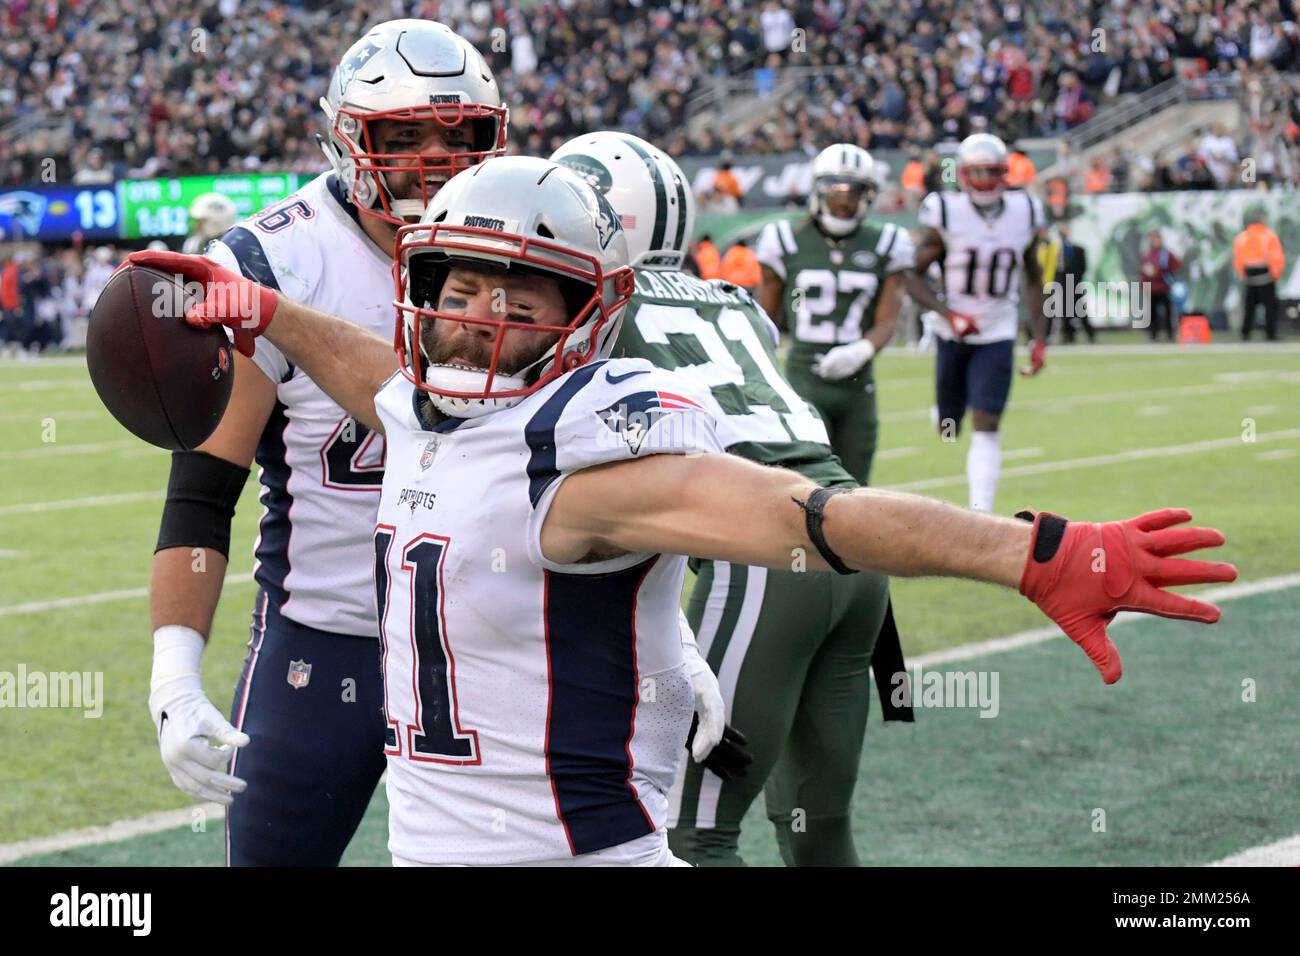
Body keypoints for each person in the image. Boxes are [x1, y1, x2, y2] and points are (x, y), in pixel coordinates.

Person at [128, 155, 1236, 866]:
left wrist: (1031, 551)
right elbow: (373, 362)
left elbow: (806, 513)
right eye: (456, 289)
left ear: (587, 316)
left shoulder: (580, 456)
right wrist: (268, 307)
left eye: (518, 298)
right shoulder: (425, 407)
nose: (474, 321)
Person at [143, 18, 511, 867]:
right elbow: (203, 490)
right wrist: (173, 673)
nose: (433, 161)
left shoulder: (522, 249)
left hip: (486, 636)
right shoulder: (277, 259)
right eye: (403, 135)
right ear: (347, 137)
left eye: (460, 138)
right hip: (324, 636)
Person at [551, 132, 903, 866]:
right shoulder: (735, 301)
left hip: (763, 559)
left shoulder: (600, 306)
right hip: (856, 554)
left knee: (696, 832)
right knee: (818, 821)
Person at [908, 132, 1048, 514]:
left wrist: (1039, 338)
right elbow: (910, 274)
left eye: (993, 172)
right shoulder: (946, 211)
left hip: (999, 328)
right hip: (953, 329)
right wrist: (948, 313)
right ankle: (945, 410)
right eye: (978, 172)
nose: (985, 180)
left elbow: (1033, 276)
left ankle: (980, 510)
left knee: (987, 420)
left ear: (1006, 174)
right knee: (949, 427)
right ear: (964, 175)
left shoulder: (1025, 211)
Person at [755, 144, 910, 485]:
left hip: (858, 388)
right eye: (835, 190)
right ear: (818, 190)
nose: (844, 201)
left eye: (854, 192)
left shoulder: (886, 242)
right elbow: (762, 321)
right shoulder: (785, 239)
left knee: (856, 495)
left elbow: (887, 320)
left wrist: (861, 350)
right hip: (802, 383)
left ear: (868, 196)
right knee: (804, 492)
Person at [1232, 208, 1285, 341]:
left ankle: (1245, 333)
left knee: (1249, 306)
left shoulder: (1242, 237)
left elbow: (1238, 258)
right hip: (1266, 275)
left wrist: (1242, 274)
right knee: (1270, 306)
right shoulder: (1269, 236)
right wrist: (1275, 274)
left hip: (1249, 276)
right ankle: (1270, 333)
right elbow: (1276, 256)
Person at [1055, 221, 1095, 344]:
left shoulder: (1078, 249)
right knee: (1065, 312)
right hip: (1062, 285)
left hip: (1075, 284)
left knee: (1080, 310)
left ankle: (1090, 334)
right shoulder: (1055, 250)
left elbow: (1083, 267)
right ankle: (1068, 336)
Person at [1139, 230, 1180, 341]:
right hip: (1152, 288)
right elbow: (1143, 272)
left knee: (1168, 312)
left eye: (1157, 239)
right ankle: (1153, 335)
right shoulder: (1147, 255)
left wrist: (1161, 273)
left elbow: (1176, 266)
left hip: (1164, 287)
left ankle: (1170, 334)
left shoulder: (1166, 254)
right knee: (1152, 314)